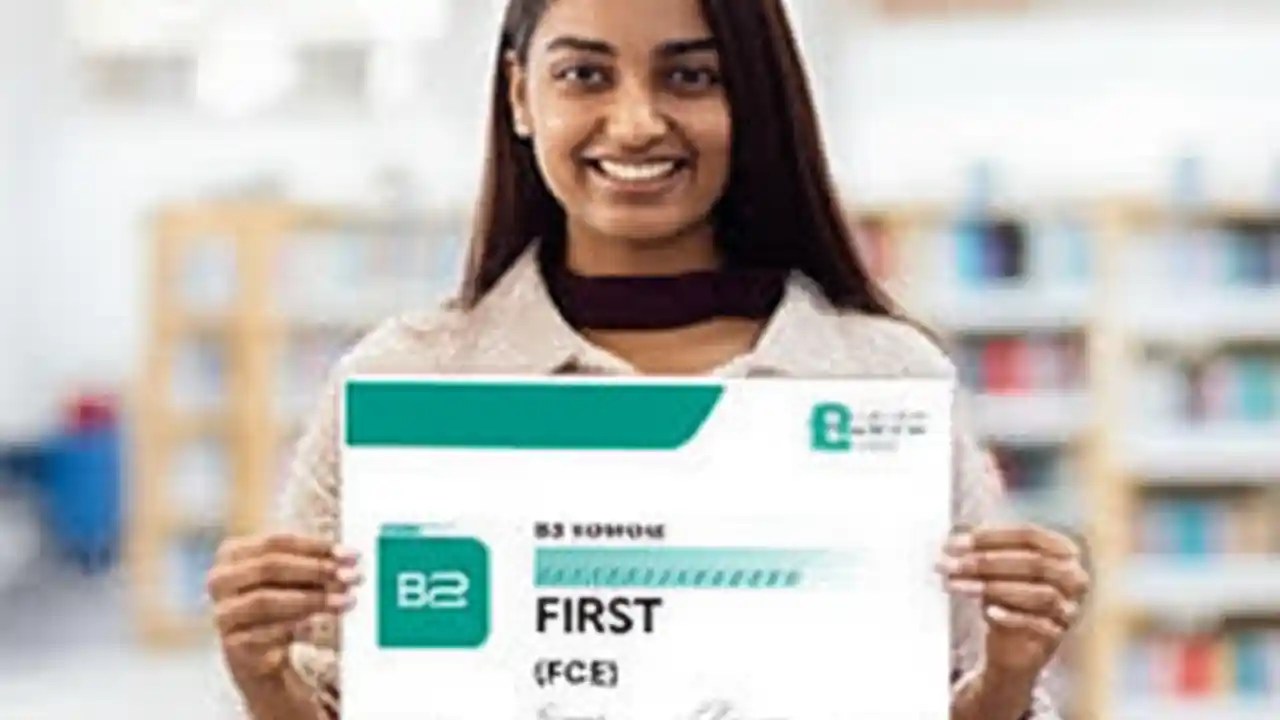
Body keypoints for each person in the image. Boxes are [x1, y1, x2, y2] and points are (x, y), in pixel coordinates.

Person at [207, 0, 1091, 718]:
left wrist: (1009, 680)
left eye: (691, 76)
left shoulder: (887, 382)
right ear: (521, 96)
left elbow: (952, 696)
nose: (635, 123)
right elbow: (332, 701)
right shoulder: (401, 383)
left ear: (754, 97)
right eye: (584, 75)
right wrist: (262, 676)